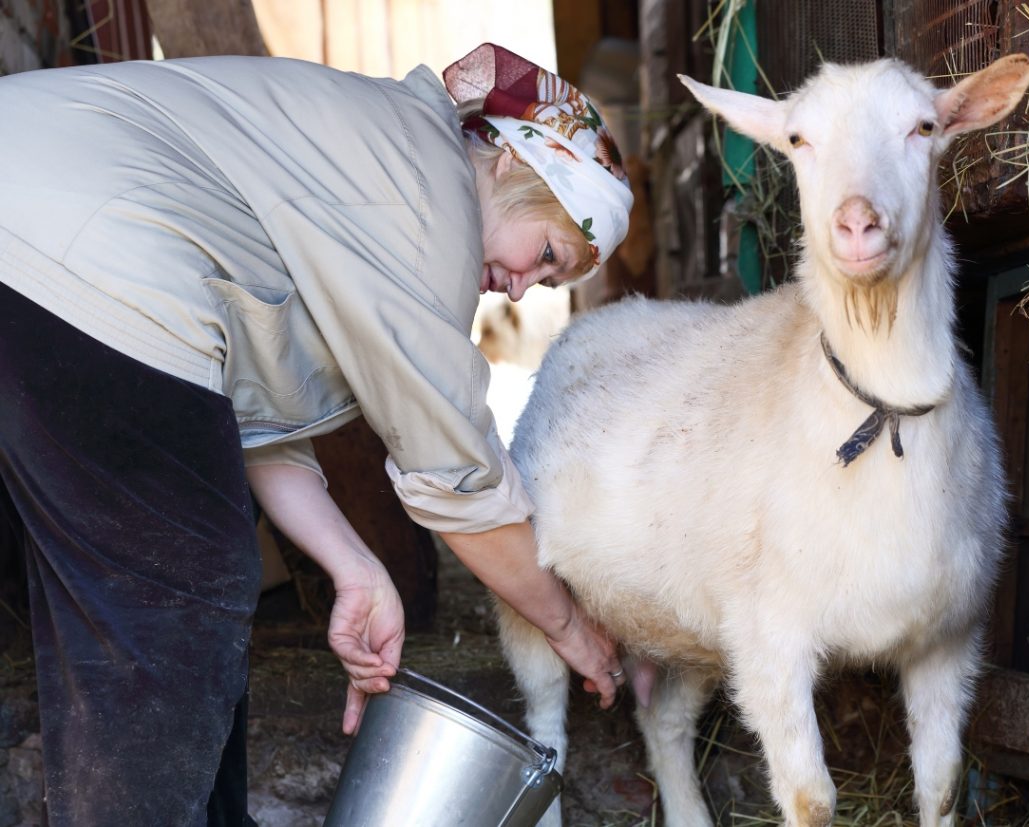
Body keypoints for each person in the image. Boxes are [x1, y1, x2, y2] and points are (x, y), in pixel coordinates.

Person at [0, 41, 634, 826]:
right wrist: (574, 629)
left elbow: (254, 414)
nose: (522, 289)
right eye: (546, 256)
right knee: (176, 598)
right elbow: (459, 478)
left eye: (549, 282)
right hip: (78, 249)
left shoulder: (373, 165)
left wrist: (354, 566)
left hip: (42, 245)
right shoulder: (429, 197)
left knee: (175, 593)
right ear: (510, 164)